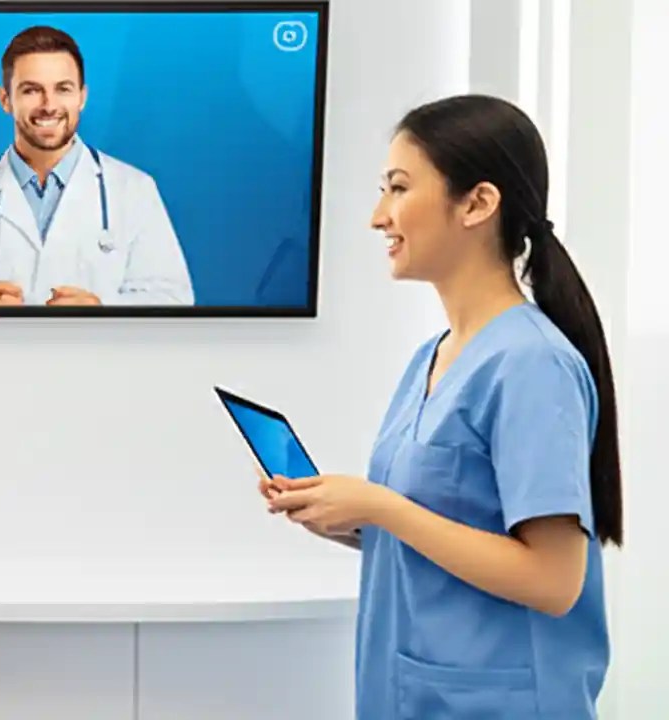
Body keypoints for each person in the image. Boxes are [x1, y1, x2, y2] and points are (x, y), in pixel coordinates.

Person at [262, 95, 622, 719]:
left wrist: (380, 506)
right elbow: (458, 527)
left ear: (478, 204)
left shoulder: (530, 364)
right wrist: (352, 521)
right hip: (413, 695)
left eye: (398, 188)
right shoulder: (435, 357)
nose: (379, 216)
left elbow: (553, 580)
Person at [0, 25, 194, 307]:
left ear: (82, 97)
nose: (49, 105)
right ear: (5, 100)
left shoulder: (135, 190)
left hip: (96, 355)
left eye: (63, 89)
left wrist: (102, 309)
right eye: (32, 90)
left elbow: (174, 301)